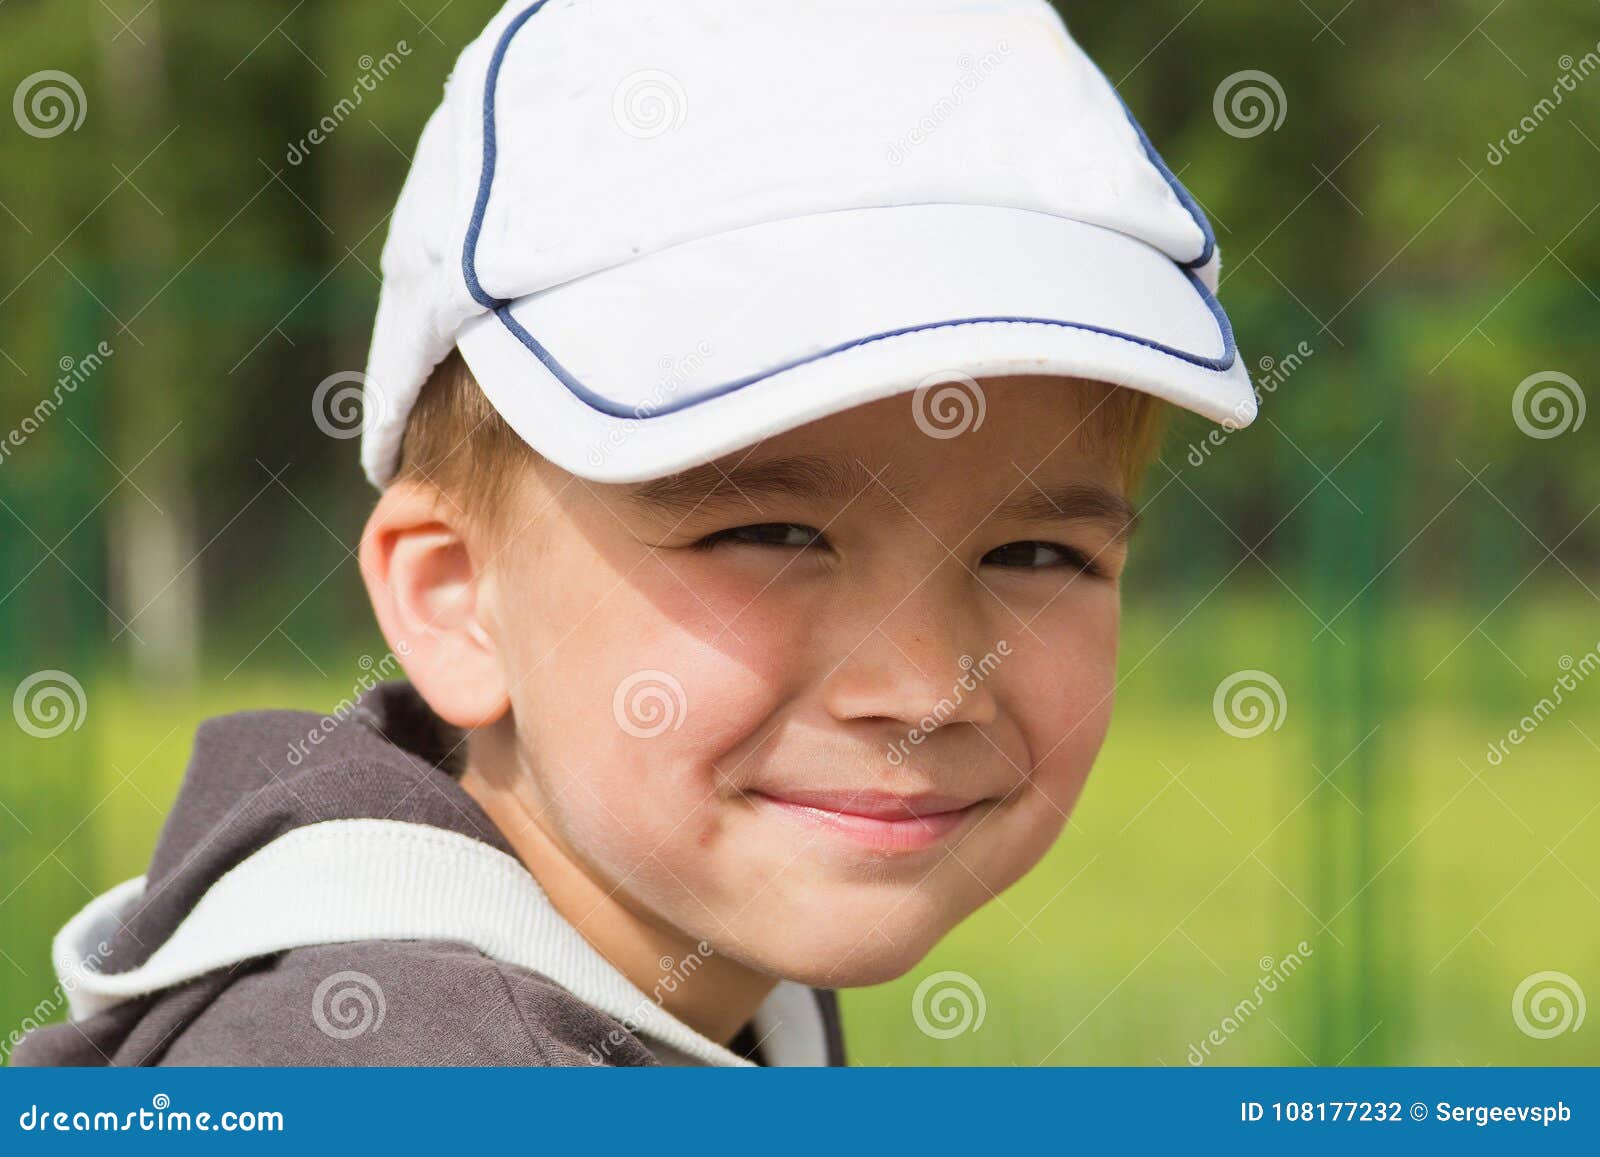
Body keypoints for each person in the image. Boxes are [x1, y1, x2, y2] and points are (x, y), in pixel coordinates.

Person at [13, 0, 1254, 1067]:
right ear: (456, 596)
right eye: (773, 533)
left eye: (1035, 553)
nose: (929, 684)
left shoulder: (697, 975)